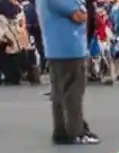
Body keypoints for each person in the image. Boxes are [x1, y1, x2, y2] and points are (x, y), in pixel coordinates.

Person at [38, 0, 97, 143]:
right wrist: (82, 8)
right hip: (69, 47)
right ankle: (75, 132)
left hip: (55, 48)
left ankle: (61, 131)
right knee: (73, 92)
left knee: (59, 92)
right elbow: (79, 15)